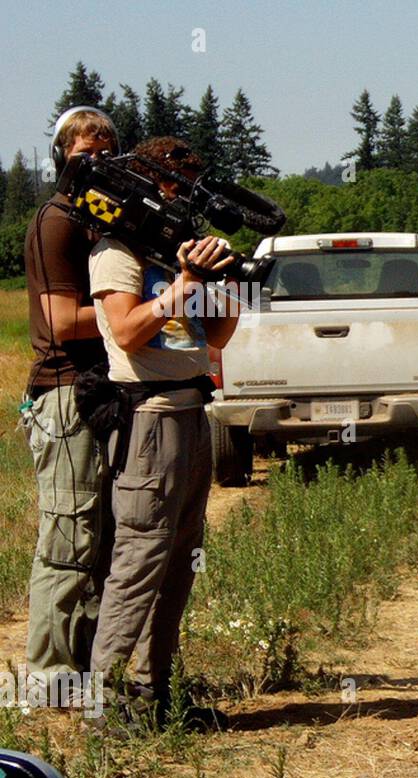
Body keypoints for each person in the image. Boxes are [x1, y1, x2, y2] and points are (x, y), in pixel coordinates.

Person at [86, 136, 241, 726]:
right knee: (139, 558)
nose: (181, 199)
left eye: (188, 188)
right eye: (174, 185)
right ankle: (101, 702)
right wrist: (180, 285)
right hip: (148, 417)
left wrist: (220, 279)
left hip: (192, 412)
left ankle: (154, 694)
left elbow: (219, 337)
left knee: (181, 557)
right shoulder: (117, 250)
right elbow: (125, 332)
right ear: (146, 183)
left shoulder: (182, 249)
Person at [20, 106, 119, 704]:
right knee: (68, 535)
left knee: (102, 535)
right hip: (62, 393)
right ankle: (49, 679)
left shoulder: (100, 220)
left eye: (107, 156)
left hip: (98, 391)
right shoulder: (57, 222)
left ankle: (86, 669)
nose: (97, 165)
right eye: (85, 155)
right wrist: (137, 310)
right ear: (63, 158)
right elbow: (60, 321)